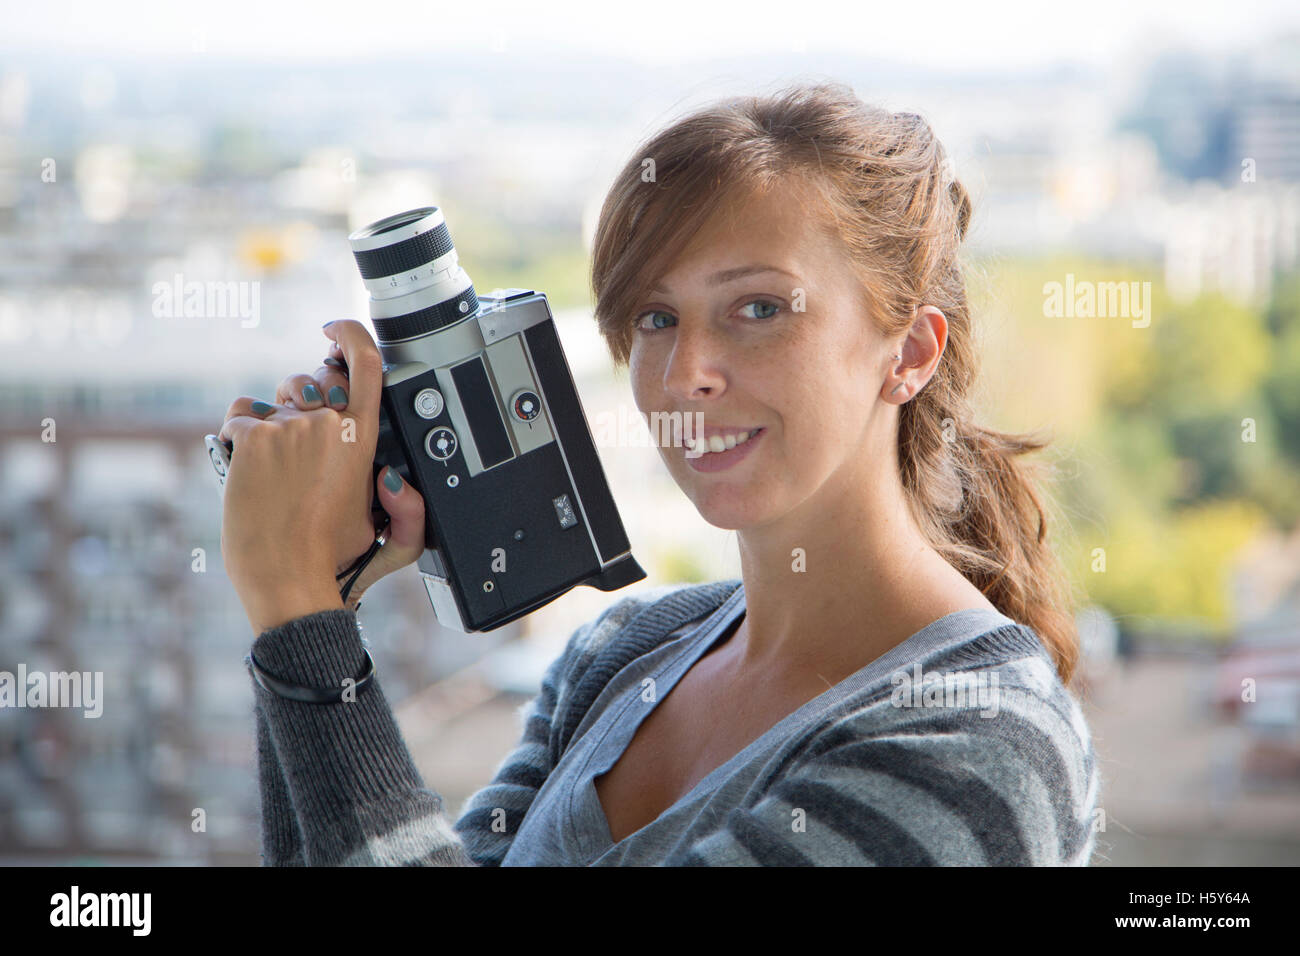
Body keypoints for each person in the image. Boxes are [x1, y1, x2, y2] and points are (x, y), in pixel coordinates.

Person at [218, 81, 1101, 866]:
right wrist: (316, 595)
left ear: (908, 353)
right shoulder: (621, 656)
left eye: (758, 308)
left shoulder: (978, 743)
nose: (686, 375)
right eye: (655, 318)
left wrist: (299, 613)